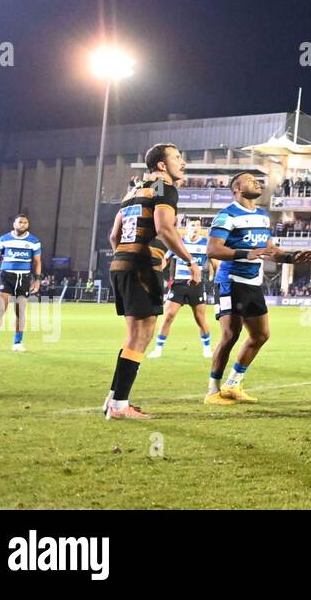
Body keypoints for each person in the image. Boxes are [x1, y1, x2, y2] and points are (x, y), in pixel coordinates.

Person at [103, 144, 200, 420]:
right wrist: (190, 261)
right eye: (177, 158)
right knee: (141, 335)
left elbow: (114, 236)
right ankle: (120, 405)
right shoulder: (163, 188)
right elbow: (164, 228)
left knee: (134, 335)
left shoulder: (133, 191)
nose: (183, 163)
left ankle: (113, 398)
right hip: (142, 268)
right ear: (161, 165)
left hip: (121, 264)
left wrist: (129, 254)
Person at [203, 171, 311, 405]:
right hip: (230, 280)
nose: (256, 182)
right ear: (236, 188)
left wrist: (292, 258)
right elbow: (213, 250)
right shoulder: (227, 216)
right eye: (249, 180)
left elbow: (269, 249)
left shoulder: (262, 216)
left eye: (257, 180)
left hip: (252, 283)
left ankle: (233, 384)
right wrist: (246, 253)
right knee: (230, 334)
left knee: (261, 335)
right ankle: (212, 391)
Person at [149, 223, 214, 359]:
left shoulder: (206, 244)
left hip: (196, 284)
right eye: (192, 225)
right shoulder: (178, 243)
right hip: (179, 283)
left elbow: (214, 260)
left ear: (201, 229)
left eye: (197, 226)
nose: (195, 228)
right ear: (187, 228)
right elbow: (166, 259)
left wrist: (215, 275)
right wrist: (157, 270)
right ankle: (158, 349)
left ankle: (207, 348)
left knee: (200, 318)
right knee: (168, 316)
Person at [0, 214, 42, 353]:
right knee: (0, 310)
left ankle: (17, 342)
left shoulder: (34, 241)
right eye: (20, 222)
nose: (23, 225)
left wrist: (37, 280)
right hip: (6, 276)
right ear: (14, 224)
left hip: (23, 278)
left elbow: (37, 262)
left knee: (20, 311)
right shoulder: (4, 239)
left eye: (25, 223)